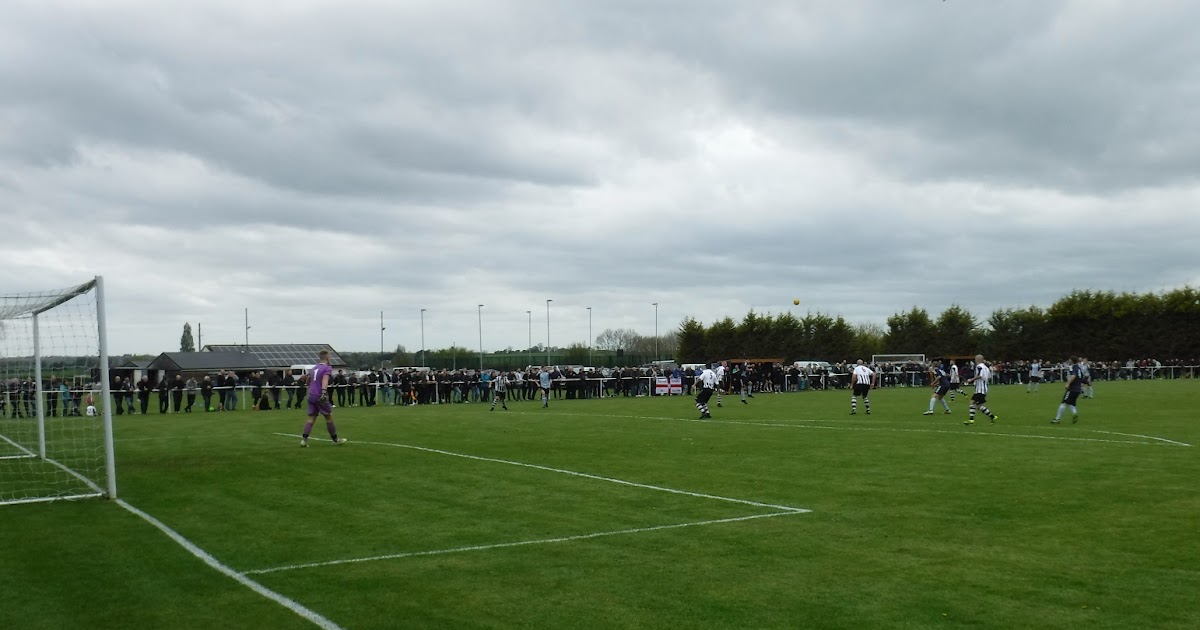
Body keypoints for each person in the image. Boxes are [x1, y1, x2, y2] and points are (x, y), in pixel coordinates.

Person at [300, 350, 345, 447]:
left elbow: (308, 381)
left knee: (311, 418)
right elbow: (325, 380)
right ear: (327, 357)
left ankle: (304, 440)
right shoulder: (327, 368)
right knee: (328, 417)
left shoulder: (314, 368)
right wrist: (324, 392)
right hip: (319, 395)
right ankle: (335, 440)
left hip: (311, 395)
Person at [965, 354, 999, 425]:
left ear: (977, 359)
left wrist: (971, 379)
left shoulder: (979, 366)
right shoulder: (986, 367)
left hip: (980, 389)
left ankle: (971, 419)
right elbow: (989, 377)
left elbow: (980, 375)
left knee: (972, 402)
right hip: (984, 388)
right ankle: (993, 417)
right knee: (979, 406)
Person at [1054, 356, 1083, 424]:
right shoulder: (1079, 368)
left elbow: (1074, 376)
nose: (1068, 361)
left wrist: (1068, 383)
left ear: (1072, 360)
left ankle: (1057, 419)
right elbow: (1081, 377)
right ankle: (1074, 413)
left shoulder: (1074, 367)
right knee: (1071, 403)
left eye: (1069, 360)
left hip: (1072, 389)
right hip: (1078, 389)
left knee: (1063, 403)